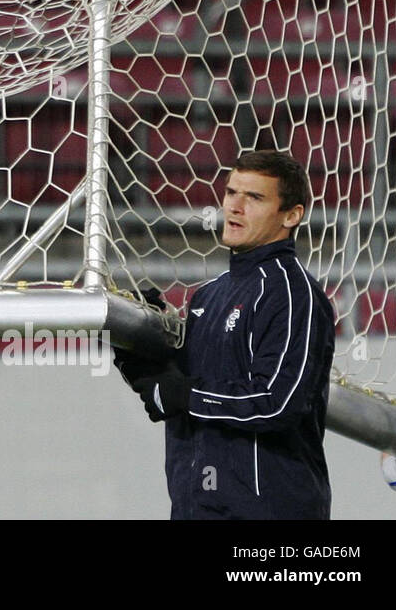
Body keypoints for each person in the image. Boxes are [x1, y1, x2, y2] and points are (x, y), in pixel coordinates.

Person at [116, 149, 335, 520]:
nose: (235, 207)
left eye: (254, 197)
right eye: (232, 192)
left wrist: (182, 394)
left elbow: (277, 402)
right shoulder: (208, 295)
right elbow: (183, 393)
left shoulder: (294, 294)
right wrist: (134, 343)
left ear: (292, 215)